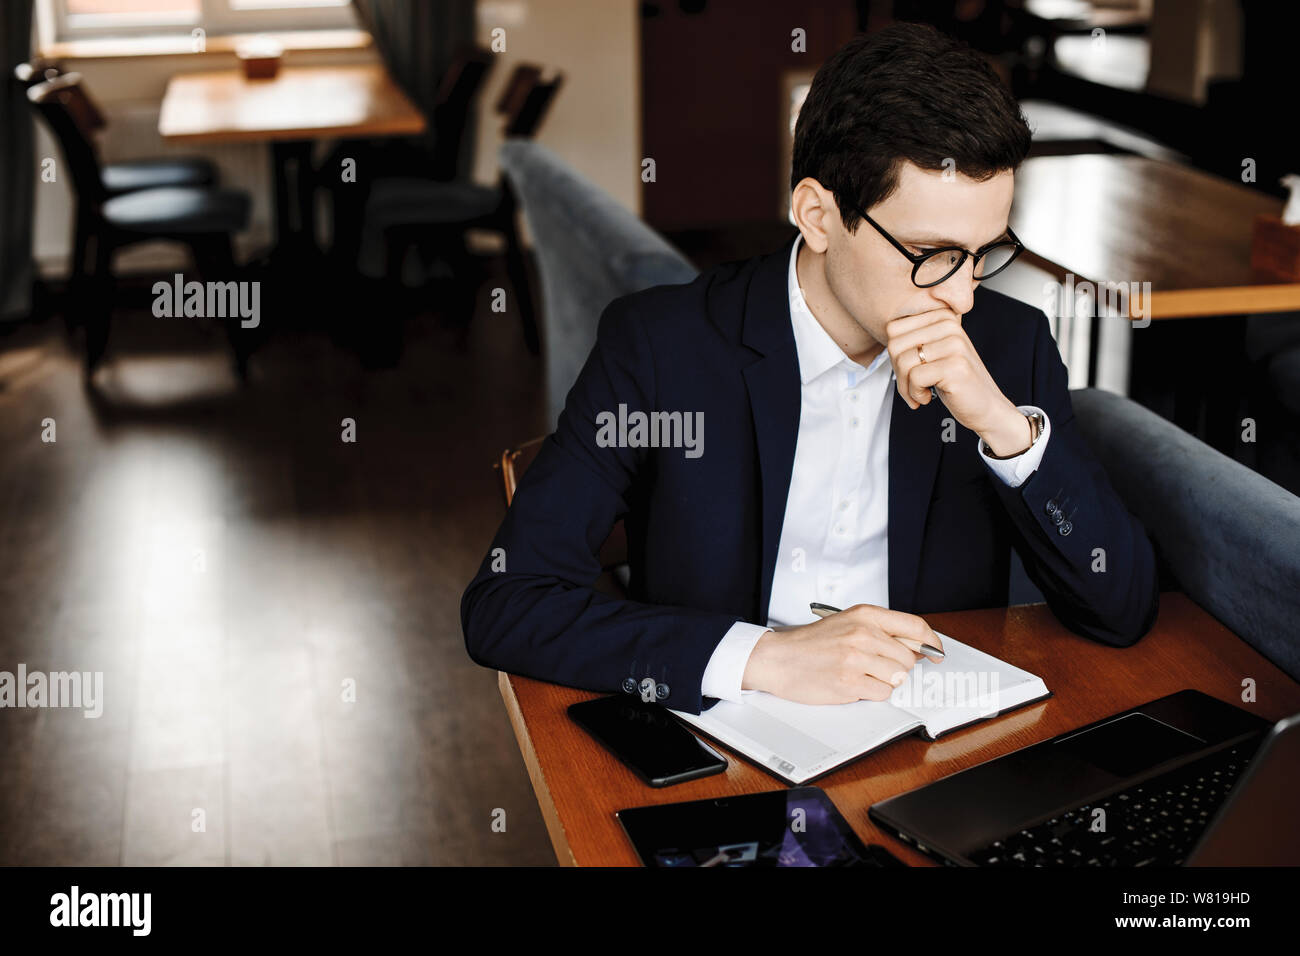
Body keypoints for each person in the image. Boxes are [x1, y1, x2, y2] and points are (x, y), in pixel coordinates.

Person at [462, 22, 1159, 716]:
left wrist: (1006, 430)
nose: (963, 295)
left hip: (930, 751)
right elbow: (507, 603)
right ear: (817, 216)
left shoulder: (1008, 348)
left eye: (983, 253)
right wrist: (764, 658)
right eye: (932, 254)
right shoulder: (661, 345)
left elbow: (1120, 610)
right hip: (726, 733)